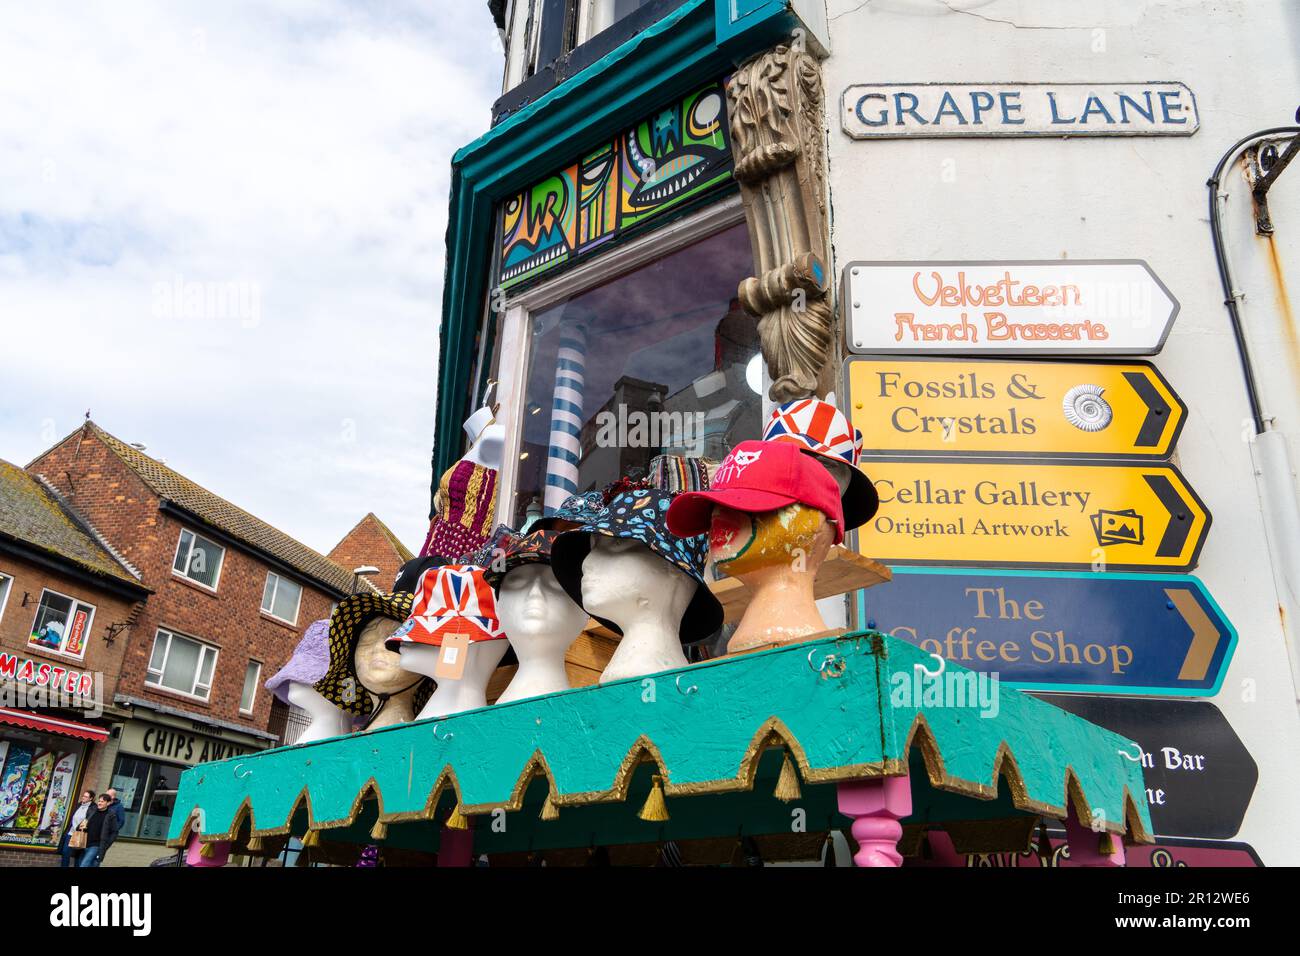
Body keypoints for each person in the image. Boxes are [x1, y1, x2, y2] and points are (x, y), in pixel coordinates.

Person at [79, 794, 120, 867]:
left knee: (84, 865)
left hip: (96, 845)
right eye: (99, 801)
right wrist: (81, 826)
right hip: (84, 843)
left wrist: (106, 844)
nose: (99, 803)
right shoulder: (92, 810)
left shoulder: (111, 815)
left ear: (108, 803)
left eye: (102, 801)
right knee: (90, 864)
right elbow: (83, 823)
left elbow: (114, 832)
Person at [60, 790, 95, 867]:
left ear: (91, 798)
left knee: (78, 856)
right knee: (65, 852)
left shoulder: (93, 808)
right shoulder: (79, 805)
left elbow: (88, 821)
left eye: (86, 796)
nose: (83, 797)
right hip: (71, 833)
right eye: (83, 796)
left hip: (80, 834)